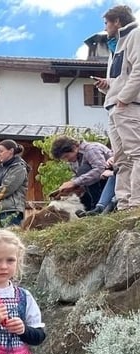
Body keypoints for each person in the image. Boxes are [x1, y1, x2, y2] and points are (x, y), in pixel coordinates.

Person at [99, 5, 140, 211]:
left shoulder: (135, 35)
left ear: (117, 21)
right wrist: (108, 86)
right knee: (122, 160)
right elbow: (123, 76)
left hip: (128, 106)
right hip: (115, 106)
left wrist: (123, 99)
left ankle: (136, 203)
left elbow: (139, 70)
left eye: (106, 23)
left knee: (136, 153)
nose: (105, 27)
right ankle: (124, 205)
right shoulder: (116, 45)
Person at [50, 135, 113, 212]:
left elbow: (100, 169)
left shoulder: (91, 149)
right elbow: (79, 177)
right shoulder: (75, 159)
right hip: (94, 186)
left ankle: (97, 207)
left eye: (66, 156)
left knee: (84, 170)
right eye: (63, 159)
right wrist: (69, 187)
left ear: (74, 148)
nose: (67, 160)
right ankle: (90, 209)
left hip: (109, 180)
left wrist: (74, 183)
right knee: (81, 179)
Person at [0, 139, 30, 227]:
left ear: (11, 151)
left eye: (1, 151)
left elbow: (6, 188)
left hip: (12, 211)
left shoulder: (19, 168)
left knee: (8, 240)